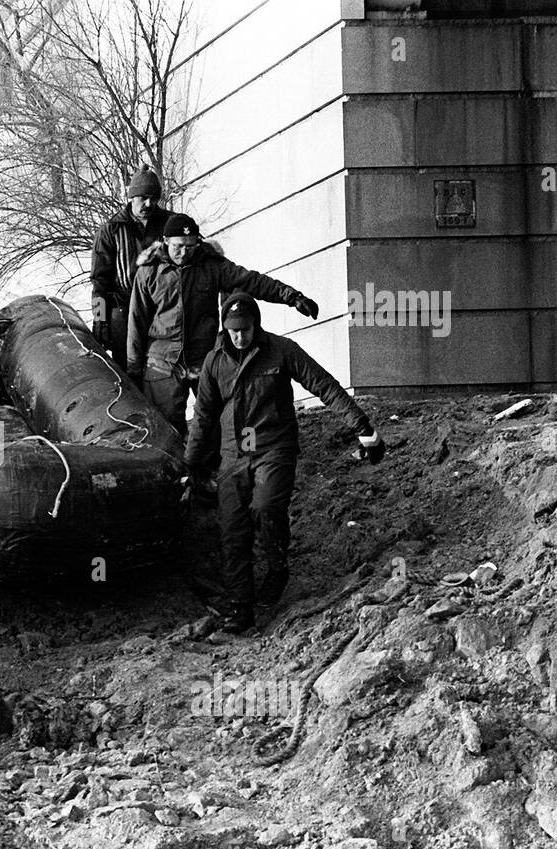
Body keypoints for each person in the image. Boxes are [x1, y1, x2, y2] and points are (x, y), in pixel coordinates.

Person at [185, 293, 386, 633]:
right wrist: (189, 465)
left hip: (273, 448)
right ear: (225, 328)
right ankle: (241, 608)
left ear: (256, 324)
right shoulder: (213, 362)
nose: (240, 336)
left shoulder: (281, 350)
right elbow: (203, 416)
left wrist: (362, 427)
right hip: (234, 454)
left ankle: (277, 568)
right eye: (233, 330)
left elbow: (323, 385)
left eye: (245, 329)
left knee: (265, 508)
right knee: (232, 530)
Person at [128, 213, 320, 440]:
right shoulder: (148, 272)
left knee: (221, 424)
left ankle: (230, 462)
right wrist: (133, 369)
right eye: (178, 246)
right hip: (162, 362)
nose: (184, 252)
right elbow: (136, 321)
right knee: (167, 430)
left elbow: (251, 281)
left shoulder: (212, 265)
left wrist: (292, 296)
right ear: (166, 241)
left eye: (190, 246)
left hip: (204, 358)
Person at [91, 166, 177, 370]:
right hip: (124, 310)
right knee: (128, 369)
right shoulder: (111, 230)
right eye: (143, 198)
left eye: (154, 199)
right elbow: (99, 282)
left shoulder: (170, 223)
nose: (149, 204)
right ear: (131, 197)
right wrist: (100, 321)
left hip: (162, 309)